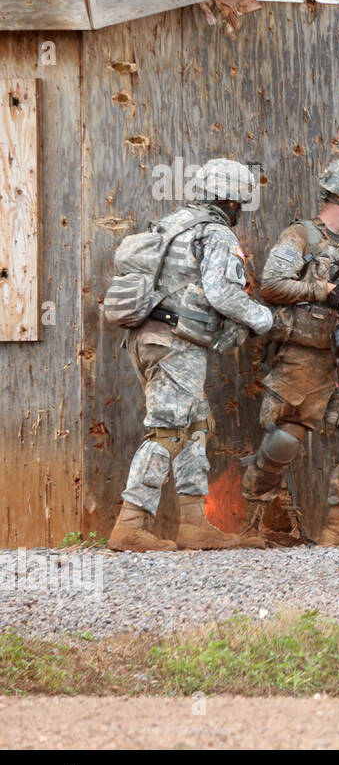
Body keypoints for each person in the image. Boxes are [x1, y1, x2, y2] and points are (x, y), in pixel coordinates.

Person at [108, 159, 273, 552]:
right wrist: (264, 319)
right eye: (239, 201)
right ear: (229, 199)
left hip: (148, 337)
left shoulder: (171, 224)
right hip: (175, 342)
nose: (239, 209)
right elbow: (222, 293)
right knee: (168, 430)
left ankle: (194, 522)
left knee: (194, 426)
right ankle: (130, 524)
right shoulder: (214, 233)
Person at [240, 159, 339, 547]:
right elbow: (273, 286)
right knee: (286, 437)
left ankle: (337, 529)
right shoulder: (302, 237)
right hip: (306, 354)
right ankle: (250, 521)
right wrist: (324, 291)